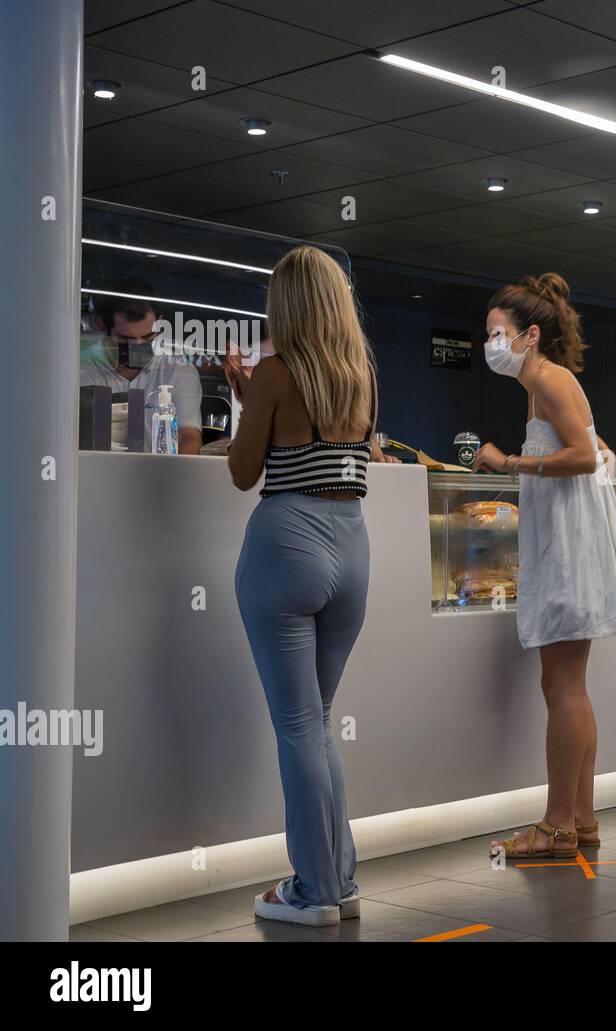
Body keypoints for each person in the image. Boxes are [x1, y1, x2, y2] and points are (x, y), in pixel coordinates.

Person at [226, 245, 380, 926]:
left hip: (287, 543)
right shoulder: (360, 376)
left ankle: (312, 891)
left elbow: (241, 470)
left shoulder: (274, 372)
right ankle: (337, 880)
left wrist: (244, 395)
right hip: (353, 545)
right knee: (317, 721)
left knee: (297, 725)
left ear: (284, 304)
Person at [472, 273, 616, 859]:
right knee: (568, 686)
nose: (490, 344)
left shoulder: (551, 379)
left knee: (563, 686)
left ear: (530, 335)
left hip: (569, 546)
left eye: (498, 333)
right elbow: (595, 449)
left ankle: (556, 825)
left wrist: (511, 461)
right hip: (568, 540)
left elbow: (585, 456)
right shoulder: (540, 385)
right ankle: (579, 819)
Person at [80, 285, 203, 454]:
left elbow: (189, 437)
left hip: (155, 475)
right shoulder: (81, 367)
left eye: (147, 338)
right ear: (103, 327)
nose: (137, 347)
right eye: (126, 339)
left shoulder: (178, 370)